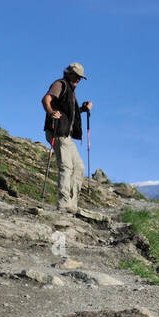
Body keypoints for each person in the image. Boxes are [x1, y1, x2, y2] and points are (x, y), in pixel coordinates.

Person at [41, 62, 93, 213]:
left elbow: (70, 113)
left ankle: (72, 204)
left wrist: (83, 109)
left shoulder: (71, 91)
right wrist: (51, 112)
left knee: (79, 167)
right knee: (66, 166)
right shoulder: (60, 84)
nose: (78, 80)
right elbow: (46, 99)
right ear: (69, 73)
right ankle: (64, 203)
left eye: (80, 78)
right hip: (57, 132)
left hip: (66, 135)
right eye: (76, 76)